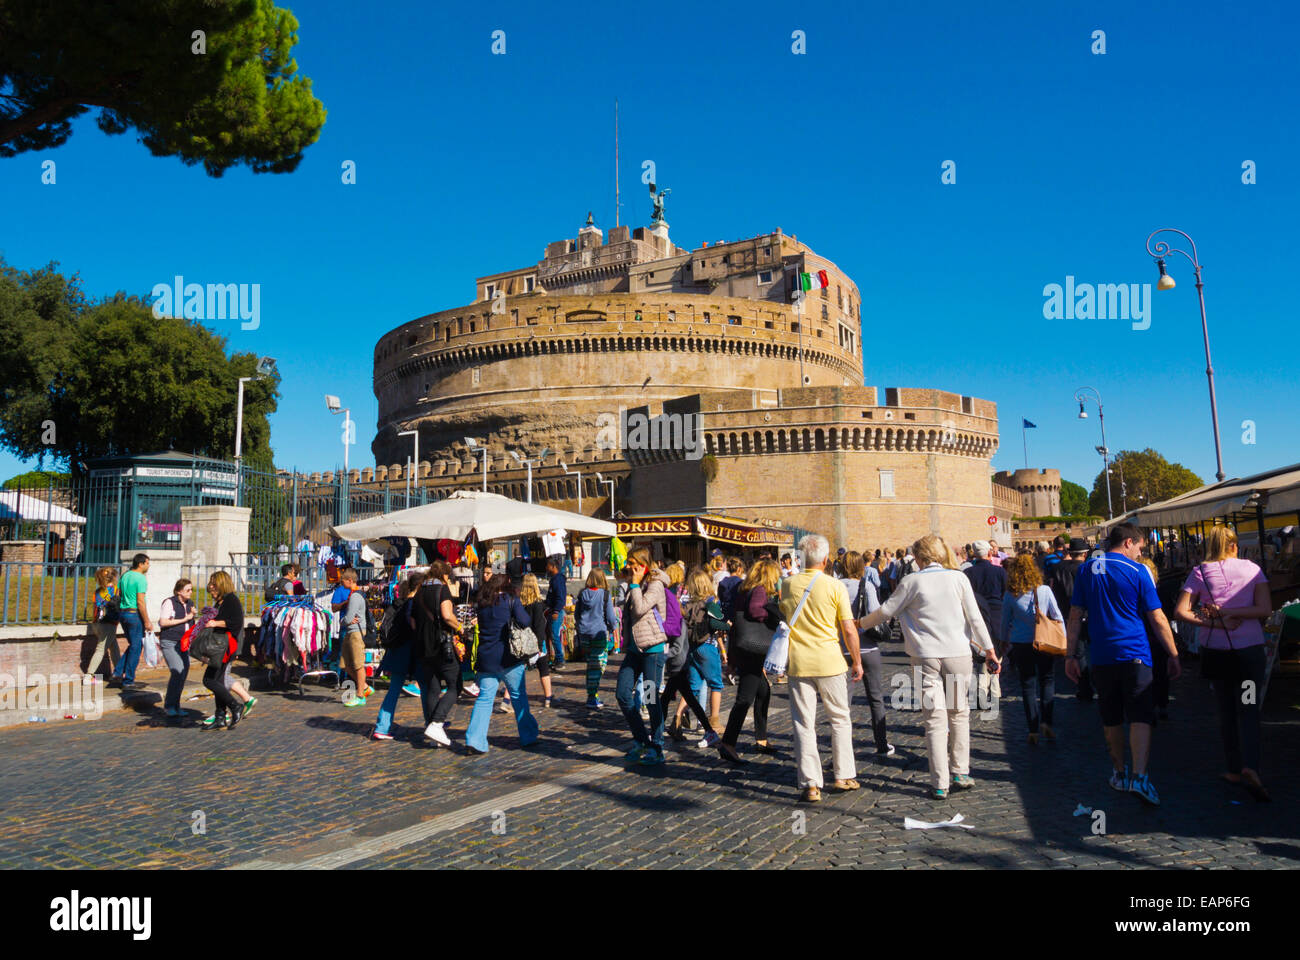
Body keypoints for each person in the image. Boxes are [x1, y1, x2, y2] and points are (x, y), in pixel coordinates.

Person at [859, 534, 1000, 800]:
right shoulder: (958, 578)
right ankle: (960, 771)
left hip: (925, 656)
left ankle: (940, 783)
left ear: (920, 558)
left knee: (934, 720)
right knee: (958, 713)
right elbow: (975, 617)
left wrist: (861, 624)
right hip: (958, 653)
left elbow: (886, 612)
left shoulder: (912, 581)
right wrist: (990, 650)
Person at [1065, 523, 1181, 805]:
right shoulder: (1138, 571)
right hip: (1135, 652)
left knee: (1111, 715)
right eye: (1140, 547)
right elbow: (1157, 617)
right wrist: (1174, 654)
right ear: (1128, 542)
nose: (1141, 554)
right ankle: (1140, 776)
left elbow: (1075, 615)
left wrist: (1070, 655)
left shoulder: (1087, 569)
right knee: (1140, 714)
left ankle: (1119, 772)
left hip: (1102, 655)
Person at [1173, 526, 1272, 801]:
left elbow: (1180, 611)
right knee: (1249, 709)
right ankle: (1251, 766)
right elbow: (1265, 609)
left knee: (1226, 709)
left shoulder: (1200, 572)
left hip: (1217, 652)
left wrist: (1212, 621)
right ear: (1232, 545)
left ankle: (1232, 768)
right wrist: (1232, 613)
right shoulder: (1252, 569)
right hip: (1249, 652)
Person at [780, 534, 864, 803]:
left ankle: (811, 784)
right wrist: (857, 660)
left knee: (803, 724)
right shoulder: (835, 586)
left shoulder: (787, 585)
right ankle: (843, 775)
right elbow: (848, 628)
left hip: (799, 661)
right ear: (826, 560)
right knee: (839, 719)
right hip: (830, 661)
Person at [665, 567, 736, 761]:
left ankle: (678, 717)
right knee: (716, 684)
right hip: (707, 646)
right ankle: (714, 721)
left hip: (692, 648)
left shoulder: (687, 603)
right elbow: (716, 624)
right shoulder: (710, 603)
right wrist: (728, 625)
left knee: (693, 687)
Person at [464, 573, 539, 755]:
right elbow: (525, 621)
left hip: (486, 657)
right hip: (508, 657)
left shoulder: (482, 603)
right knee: (518, 696)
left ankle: (474, 739)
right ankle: (528, 735)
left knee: (484, 699)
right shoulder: (510, 600)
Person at [616, 547, 672, 765]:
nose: (629, 566)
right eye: (628, 562)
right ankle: (641, 739)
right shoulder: (634, 583)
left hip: (653, 649)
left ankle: (657, 746)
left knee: (649, 698)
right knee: (622, 692)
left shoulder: (656, 585)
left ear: (643, 564)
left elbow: (639, 609)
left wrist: (635, 583)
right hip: (634, 649)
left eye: (633, 562)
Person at [1000, 554, 1064, 744]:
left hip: (1021, 644)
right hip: (1044, 641)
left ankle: (1032, 730)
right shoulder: (1044, 590)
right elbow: (1057, 616)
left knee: (1027, 685)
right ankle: (1046, 721)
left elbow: (1005, 622)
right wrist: (1064, 640)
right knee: (1047, 680)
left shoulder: (1010, 594)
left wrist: (1003, 642)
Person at [721, 558, 780, 759]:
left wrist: (732, 661)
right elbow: (756, 611)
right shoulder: (760, 590)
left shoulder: (744, 590)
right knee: (744, 698)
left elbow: (737, 625)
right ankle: (728, 743)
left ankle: (761, 738)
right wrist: (772, 615)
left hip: (744, 647)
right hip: (753, 650)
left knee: (763, 691)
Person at [838, 551, 894, 758]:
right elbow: (876, 614)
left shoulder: (834, 586)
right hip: (867, 647)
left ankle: (843, 749)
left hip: (841, 647)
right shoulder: (866, 586)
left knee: (844, 703)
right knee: (876, 698)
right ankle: (881, 743)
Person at [370, 571, 428, 741]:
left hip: (396, 651)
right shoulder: (412, 604)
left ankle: (382, 726)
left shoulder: (397, 603)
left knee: (395, 689)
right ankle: (432, 721)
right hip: (409, 651)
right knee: (424, 686)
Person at [413, 561, 465, 746]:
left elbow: (412, 619)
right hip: (441, 645)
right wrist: (460, 627)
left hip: (423, 646)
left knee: (433, 689)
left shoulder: (419, 591)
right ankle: (436, 723)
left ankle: (433, 728)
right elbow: (447, 615)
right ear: (444, 575)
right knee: (455, 685)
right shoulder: (442, 590)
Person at [964, 540, 1006, 713]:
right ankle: (993, 693)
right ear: (989, 553)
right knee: (996, 654)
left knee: (980, 655)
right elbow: (1006, 593)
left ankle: (981, 693)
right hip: (997, 616)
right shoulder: (1000, 571)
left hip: (975, 615)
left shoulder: (967, 573)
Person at [1049, 538, 1093, 701]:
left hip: (1067, 613)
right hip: (1090, 613)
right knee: (1094, 648)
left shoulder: (1056, 568)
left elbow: (1053, 590)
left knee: (1078, 652)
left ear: (1068, 552)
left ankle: (1084, 687)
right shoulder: (1089, 568)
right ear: (1085, 554)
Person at [202, 571, 245, 728]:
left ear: (222, 584)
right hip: (219, 646)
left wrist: (215, 623)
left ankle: (235, 705)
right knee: (218, 681)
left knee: (209, 680)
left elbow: (236, 622)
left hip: (225, 647)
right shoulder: (220, 602)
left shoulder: (231, 600)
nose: (211, 586)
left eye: (214, 583)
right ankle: (220, 717)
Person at [574, 569, 618, 708]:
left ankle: (593, 693)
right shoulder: (605, 595)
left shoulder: (582, 594)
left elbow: (577, 614)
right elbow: (611, 618)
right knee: (598, 665)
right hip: (599, 632)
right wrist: (613, 628)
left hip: (584, 633)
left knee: (591, 664)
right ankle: (592, 695)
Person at [110, 553, 154, 690]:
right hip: (134, 614)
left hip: (123, 613)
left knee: (133, 645)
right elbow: (140, 601)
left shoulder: (125, 576)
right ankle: (128, 680)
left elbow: (120, 595)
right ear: (141, 564)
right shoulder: (140, 578)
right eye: (147, 563)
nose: (148, 565)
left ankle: (117, 673)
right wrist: (147, 621)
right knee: (136, 647)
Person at [157, 578, 197, 718]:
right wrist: (186, 618)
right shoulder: (169, 602)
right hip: (170, 642)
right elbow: (163, 622)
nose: (190, 592)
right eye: (188, 590)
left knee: (183, 673)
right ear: (179, 591)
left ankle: (176, 705)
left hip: (184, 643)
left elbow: (190, 623)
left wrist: (193, 618)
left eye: (191, 589)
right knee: (178, 670)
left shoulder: (189, 604)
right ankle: (169, 706)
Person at [338, 569, 373, 707]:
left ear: (350, 581)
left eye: (343, 581)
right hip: (350, 631)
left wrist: (342, 621)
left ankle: (360, 695)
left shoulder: (355, 596)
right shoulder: (354, 595)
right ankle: (364, 687)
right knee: (345, 664)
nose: (342, 584)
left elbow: (348, 618)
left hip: (356, 632)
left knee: (358, 665)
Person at [519, 573, 554, 708]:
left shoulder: (519, 603)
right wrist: (540, 646)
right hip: (535, 641)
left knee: (518, 669)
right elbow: (539, 626)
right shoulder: (538, 604)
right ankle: (548, 697)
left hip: (522, 641)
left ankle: (507, 699)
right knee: (543, 668)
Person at [84, 566, 121, 684]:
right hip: (109, 624)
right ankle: (88, 676)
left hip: (97, 624)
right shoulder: (116, 590)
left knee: (114, 648)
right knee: (100, 650)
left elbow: (96, 607)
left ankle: (118, 674)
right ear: (113, 577)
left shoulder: (98, 591)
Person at [544, 557, 567, 671]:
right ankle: (557, 659)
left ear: (553, 567)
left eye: (548, 565)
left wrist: (556, 610)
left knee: (554, 635)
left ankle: (560, 659)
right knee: (552, 635)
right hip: (552, 610)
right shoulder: (554, 579)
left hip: (556, 612)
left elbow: (560, 597)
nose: (546, 568)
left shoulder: (558, 580)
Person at [717, 557, 745, 622]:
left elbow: (720, 598)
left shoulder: (722, 582)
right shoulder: (741, 583)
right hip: (737, 614)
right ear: (739, 569)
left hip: (725, 613)